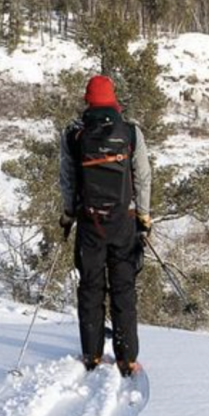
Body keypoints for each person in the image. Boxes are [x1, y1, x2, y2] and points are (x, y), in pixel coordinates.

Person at [58, 74, 151, 377]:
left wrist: (69, 214)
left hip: (89, 222)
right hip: (123, 221)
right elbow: (143, 176)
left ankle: (92, 354)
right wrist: (144, 216)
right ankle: (127, 358)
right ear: (113, 100)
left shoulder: (74, 134)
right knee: (124, 287)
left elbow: (68, 179)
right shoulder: (131, 132)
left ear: (87, 100)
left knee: (90, 287)